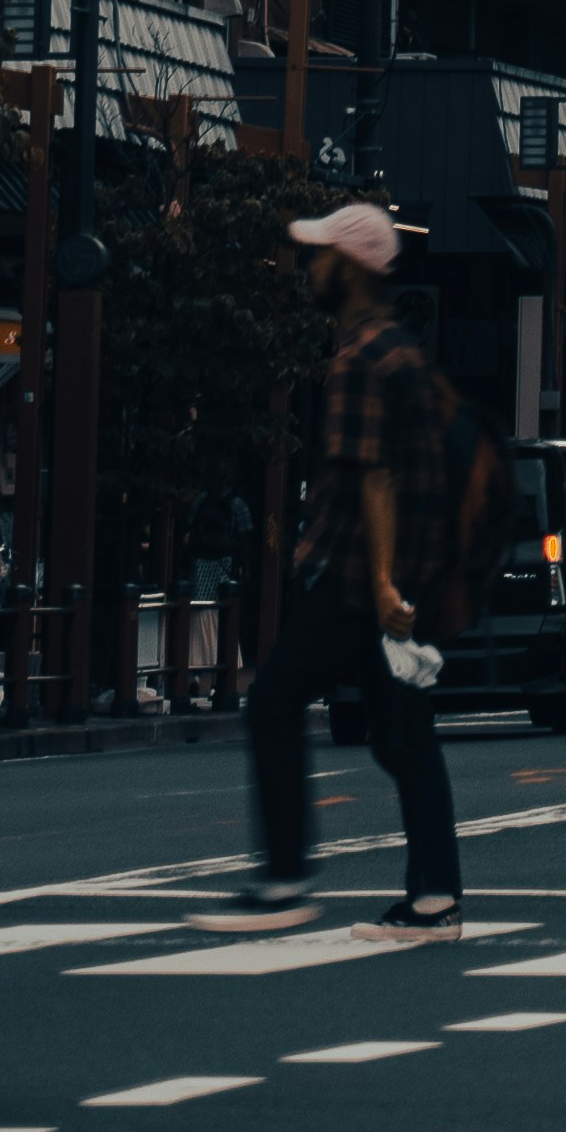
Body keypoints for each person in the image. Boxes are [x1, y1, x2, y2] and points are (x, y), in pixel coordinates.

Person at [217, 199, 461, 937]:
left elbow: (372, 476)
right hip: (397, 576)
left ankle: (287, 877)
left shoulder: (361, 357)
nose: (310, 268)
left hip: (358, 579)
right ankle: (433, 899)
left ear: (350, 268)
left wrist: (383, 582)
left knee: (275, 701)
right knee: (401, 736)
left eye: (321, 255)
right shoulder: (405, 352)